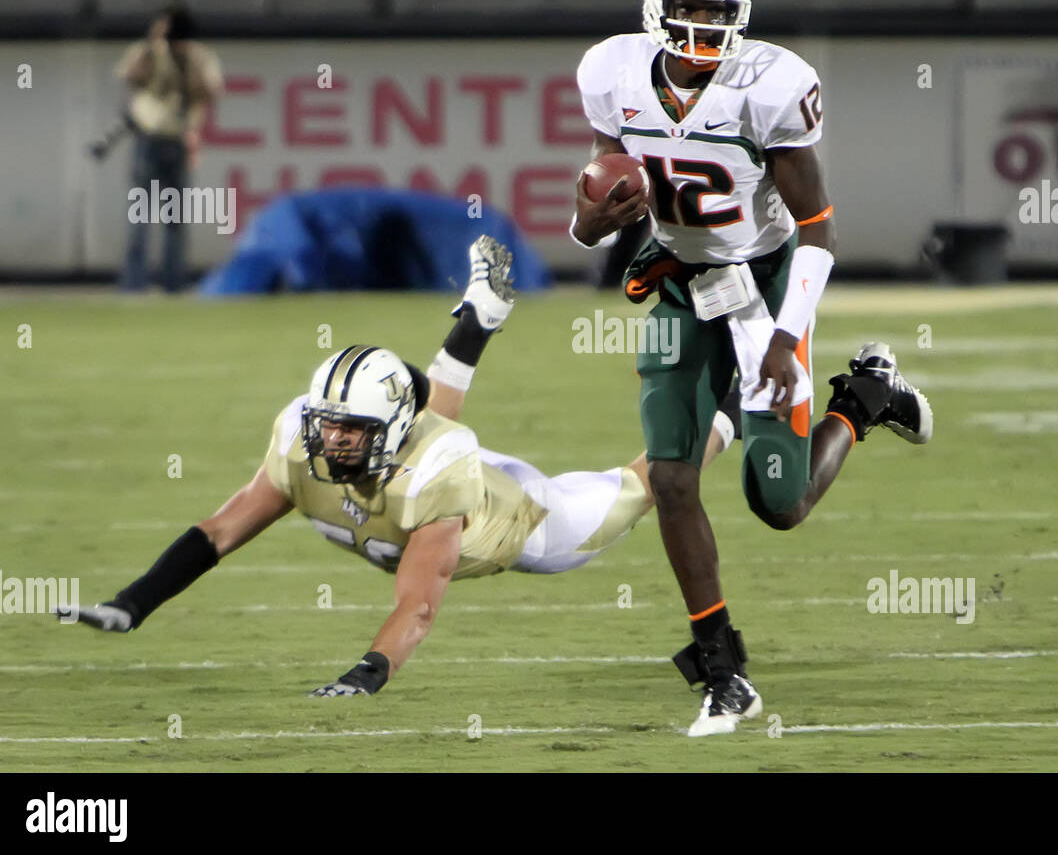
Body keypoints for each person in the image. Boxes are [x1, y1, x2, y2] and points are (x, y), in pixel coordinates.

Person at [60, 238, 736, 698]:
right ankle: (477, 321)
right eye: (329, 424)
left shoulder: (433, 471)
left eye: (352, 430)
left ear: (384, 430)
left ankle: (737, 405)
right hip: (426, 464)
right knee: (426, 437)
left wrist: (367, 673)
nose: (334, 440)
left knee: (643, 486)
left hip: (519, 518)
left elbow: (418, 603)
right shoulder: (303, 446)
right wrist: (132, 603)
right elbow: (218, 532)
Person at [571, 0, 933, 735]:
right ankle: (722, 669)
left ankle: (868, 396)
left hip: (766, 284)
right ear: (654, 7)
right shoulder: (613, 73)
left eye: (716, 11)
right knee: (669, 478)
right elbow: (601, 205)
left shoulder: (771, 84)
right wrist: (587, 223)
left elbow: (818, 231)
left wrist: (783, 336)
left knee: (780, 500)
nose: (701, 26)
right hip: (679, 277)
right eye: (687, 8)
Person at [114, 2, 223, 292]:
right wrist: (152, 44)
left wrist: (192, 70)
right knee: (140, 215)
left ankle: (173, 282)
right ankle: (134, 284)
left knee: (175, 219)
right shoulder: (151, 52)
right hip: (149, 137)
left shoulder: (199, 57)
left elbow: (214, 91)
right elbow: (128, 75)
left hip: (179, 140)